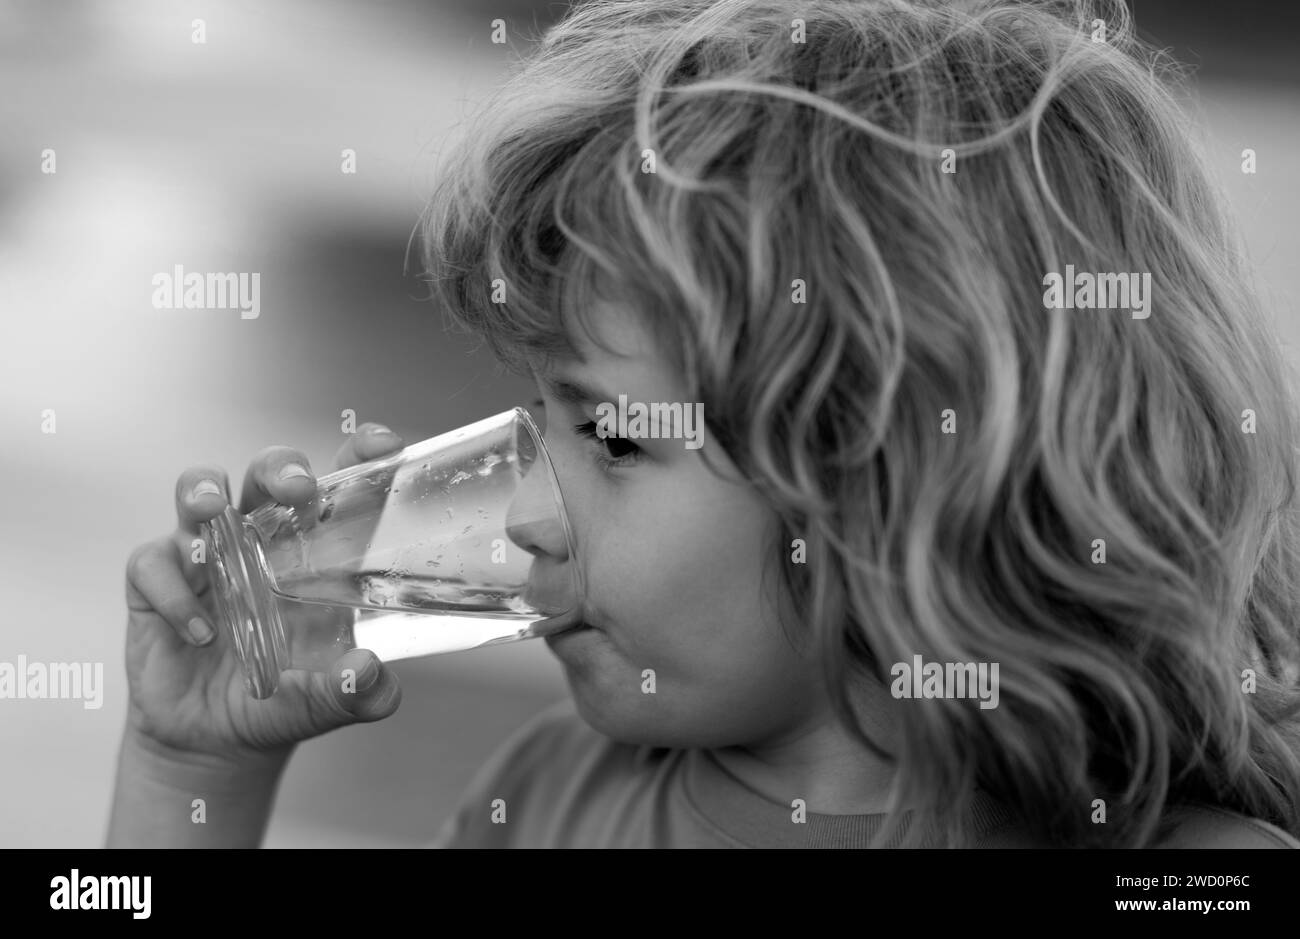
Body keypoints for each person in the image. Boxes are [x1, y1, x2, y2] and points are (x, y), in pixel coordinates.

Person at [108, 0, 1300, 848]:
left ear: (895, 480)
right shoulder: (550, 797)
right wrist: (195, 771)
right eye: (536, 421)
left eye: (614, 439)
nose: (524, 515)